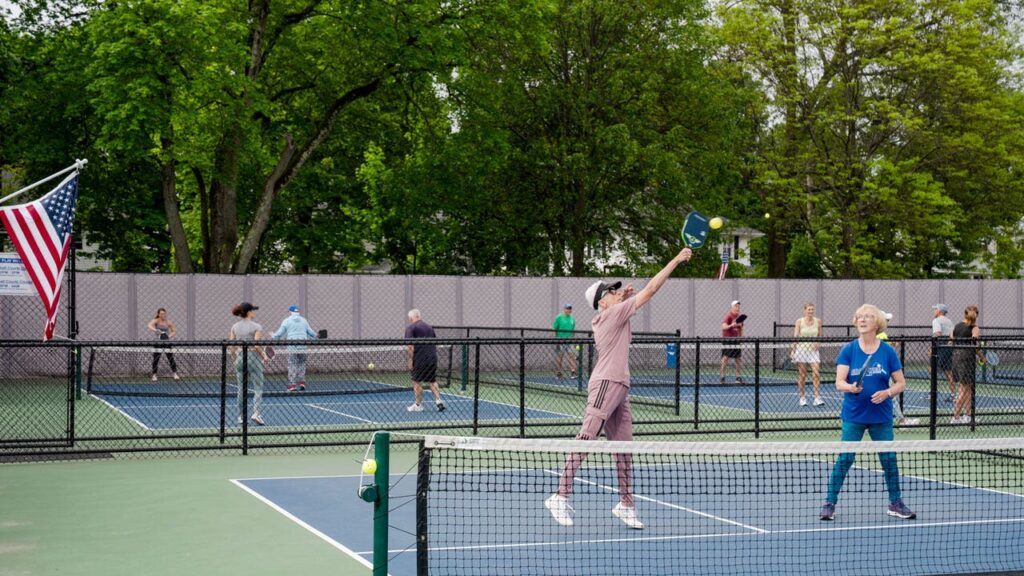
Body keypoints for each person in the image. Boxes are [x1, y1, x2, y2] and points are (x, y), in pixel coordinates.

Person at [545, 246, 693, 530]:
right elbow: (650, 290)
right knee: (587, 436)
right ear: (602, 302)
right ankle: (560, 496)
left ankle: (626, 503)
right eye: (610, 292)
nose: (616, 292)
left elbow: (625, 304)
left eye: (616, 290)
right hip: (605, 383)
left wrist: (622, 297)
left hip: (621, 387)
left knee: (624, 448)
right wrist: (675, 259)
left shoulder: (612, 313)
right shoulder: (610, 315)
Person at [819, 304, 915, 522]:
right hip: (854, 415)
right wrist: (851, 388)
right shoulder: (849, 350)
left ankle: (895, 503)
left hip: (881, 416)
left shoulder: (888, 352)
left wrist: (888, 393)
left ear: (877, 323)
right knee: (845, 459)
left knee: (889, 459)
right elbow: (839, 383)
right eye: (860, 317)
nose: (863, 320)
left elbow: (901, 383)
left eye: (868, 317)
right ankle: (829, 503)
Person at [877, 312, 918, 426]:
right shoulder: (881, 335)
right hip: (882, 370)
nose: (887, 323)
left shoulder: (877, 335)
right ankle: (901, 420)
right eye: (886, 320)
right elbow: (886, 349)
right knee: (892, 395)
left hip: (880, 369)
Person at [230, 302, 267, 426]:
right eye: (253, 310)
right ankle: (256, 414)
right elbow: (256, 345)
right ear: (249, 312)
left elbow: (232, 347)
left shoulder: (234, 326)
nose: (255, 312)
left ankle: (241, 417)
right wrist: (264, 355)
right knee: (258, 387)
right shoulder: (257, 326)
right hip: (253, 358)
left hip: (240, 357)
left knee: (241, 388)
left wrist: (234, 359)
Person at [406, 309, 444, 412]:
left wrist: (410, 360)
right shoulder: (429, 327)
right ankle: (438, 401)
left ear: (411, 318)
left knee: (417, 382)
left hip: (419, 359)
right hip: (432, 358)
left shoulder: (411, 328)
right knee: (432, 381)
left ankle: (418, 405)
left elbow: (409, 346)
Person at [271, 305, 317, 392]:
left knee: (292, 365)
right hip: (303, 346)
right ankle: (302, 383)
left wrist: (273, 336)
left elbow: (279, 333)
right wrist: (316, 336)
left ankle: (292, 385)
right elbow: (311, 333)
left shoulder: (287, 321)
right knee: (302, 364)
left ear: (290, 312)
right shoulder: (304, 320)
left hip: (292, 346)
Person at [951, 305, 981, 424]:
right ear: (976, 315)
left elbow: (951, 341)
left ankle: (968, 415)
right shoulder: (975, 328)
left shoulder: (956, 327)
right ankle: (956, 417)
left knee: (968, 388)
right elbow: (975, 345)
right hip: (967, 358)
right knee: (963, 389)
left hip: (956, 357)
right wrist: (982, 357)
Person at [791, 302, 823, 406]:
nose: (811, 311)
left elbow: (819, 335)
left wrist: (817, 343)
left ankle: (817, 398)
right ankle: (802, 397)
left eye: (812, 310)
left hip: (813, 351)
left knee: (816, 373)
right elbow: (795, 336)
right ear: (804, 311)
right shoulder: (799, 321)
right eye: (809, 309)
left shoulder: (818, 321)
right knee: (802, 375)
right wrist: (793, 350)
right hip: (801, 350)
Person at [931, 303, 956, 403]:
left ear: (939, 311)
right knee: (948, 372)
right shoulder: (950, 321)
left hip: (940, 347)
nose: (934, 311)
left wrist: (933, 348)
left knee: (932, 369)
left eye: (935, 309)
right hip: (949, 347)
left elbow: (937, 333)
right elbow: (952, 334)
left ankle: (933, 393)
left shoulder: (936, 320)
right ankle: (953, 395)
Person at [147, 308, 180, 381]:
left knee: (170, 358)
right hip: (158, 342)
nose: (163, 315)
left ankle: (175, 373)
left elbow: (174, 331)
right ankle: (154, 375)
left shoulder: (168, 322)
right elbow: (149, 325)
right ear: (158, 314)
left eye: (164, 313)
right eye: (161, 314)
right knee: (156, 359)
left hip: (166, 342)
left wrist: (168, 336)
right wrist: (156, 330)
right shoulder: (156, 321)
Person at [720, 300, 744, 384]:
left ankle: (738, 378)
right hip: (728, 339)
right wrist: (731, 325)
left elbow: (741, 329)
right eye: (736, 306)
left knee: (738, 359)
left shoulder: (740, 317)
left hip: (736, 340)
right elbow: (723, 327)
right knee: (725, 358)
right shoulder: (728, 316)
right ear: (732, 307)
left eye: (738, 306)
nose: (738, 308)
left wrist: (741, 339)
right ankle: (722, 377)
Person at [553, 304, 577, 380]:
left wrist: (573, 339)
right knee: (560, 357)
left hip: (569, 341)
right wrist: (556, 339)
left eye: (570, 308)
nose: (569, 310)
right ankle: (559, 373)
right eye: (567, 308)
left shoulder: (572, 318)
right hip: (560, 340)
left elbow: (573, 330)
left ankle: (573, 373)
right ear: (564, 309)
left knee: (572, 356)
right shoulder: (559, 317)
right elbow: (554, 329)